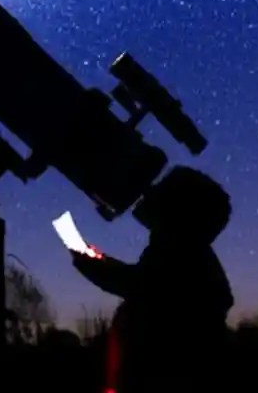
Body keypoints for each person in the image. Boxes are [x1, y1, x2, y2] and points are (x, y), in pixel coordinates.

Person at [71, 165, 234, 392]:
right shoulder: (186, 254)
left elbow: (137, 284)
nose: (150, 191)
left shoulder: (182, 255)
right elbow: (143, 281)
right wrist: (99, 260)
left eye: (161, 190)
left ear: (178, 211)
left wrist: (88, 261)